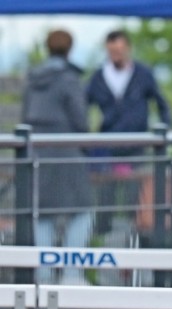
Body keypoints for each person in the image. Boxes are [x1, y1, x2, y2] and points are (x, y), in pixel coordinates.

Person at [21, 29, 93, 285]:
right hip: (67, 152)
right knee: (83, 210)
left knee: (43, 213)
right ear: (69, 48)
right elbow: (80, 119)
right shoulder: (69, 78)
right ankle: (72, 274)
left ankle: (43, 274)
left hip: (37, 153)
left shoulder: (33, 78)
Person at [86, 30, 171, 235]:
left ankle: (137, 239)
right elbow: (83, 107)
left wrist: (163, 131)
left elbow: (161, 104)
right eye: (112, 50)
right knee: (105, 197)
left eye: (120, 49)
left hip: (136, 145)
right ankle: (103, 236)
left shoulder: (142, 74)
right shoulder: (98, 77)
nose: (116, 54)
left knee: (136, 197)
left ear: (128, 49)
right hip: (107, 147)